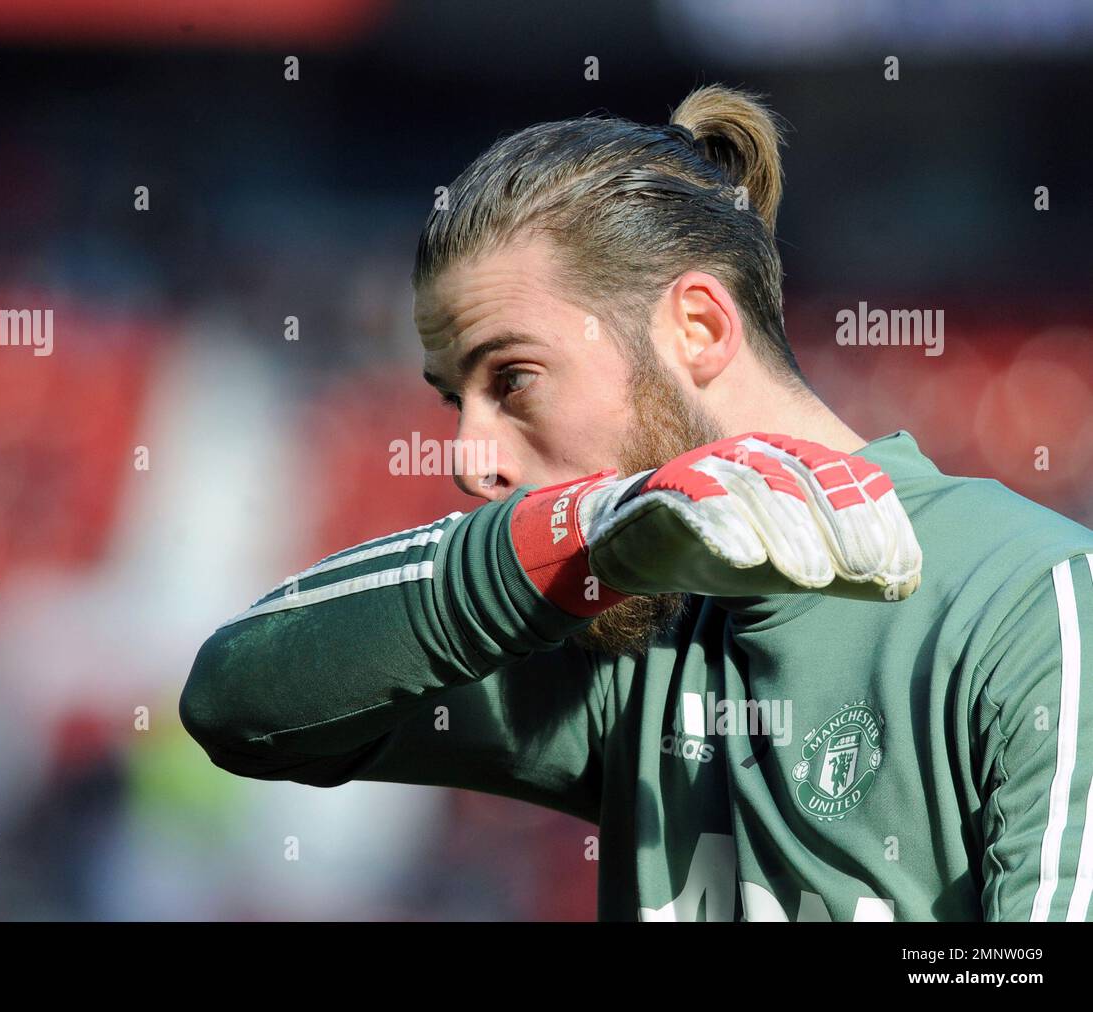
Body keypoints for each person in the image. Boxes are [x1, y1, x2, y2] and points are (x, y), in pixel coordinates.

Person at [181, 85, 1093, 921]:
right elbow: (239, 707)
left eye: (515, 377)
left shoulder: (1032, 597)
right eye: (453, 399)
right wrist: (575, 540)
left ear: (697, 327)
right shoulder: (623, 622)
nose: (468, 459)